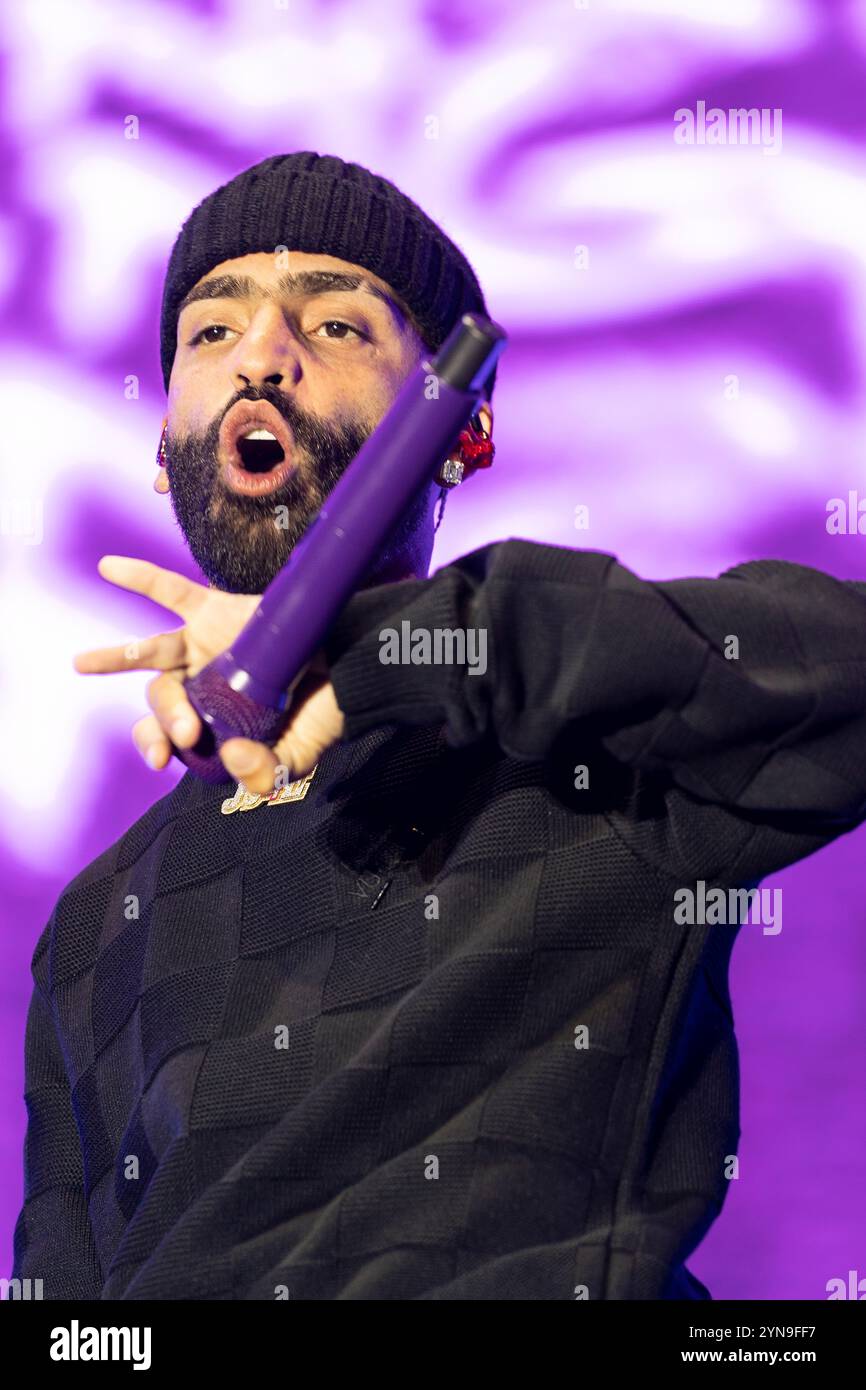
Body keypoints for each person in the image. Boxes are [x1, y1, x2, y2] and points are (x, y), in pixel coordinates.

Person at [10, 151, 866, 1301]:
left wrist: (415, 637)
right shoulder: (92, 923)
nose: (261, 354)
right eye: (210, 333)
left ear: (461, 433)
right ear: (162, 449)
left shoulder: (589, 743)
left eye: (337, 325)